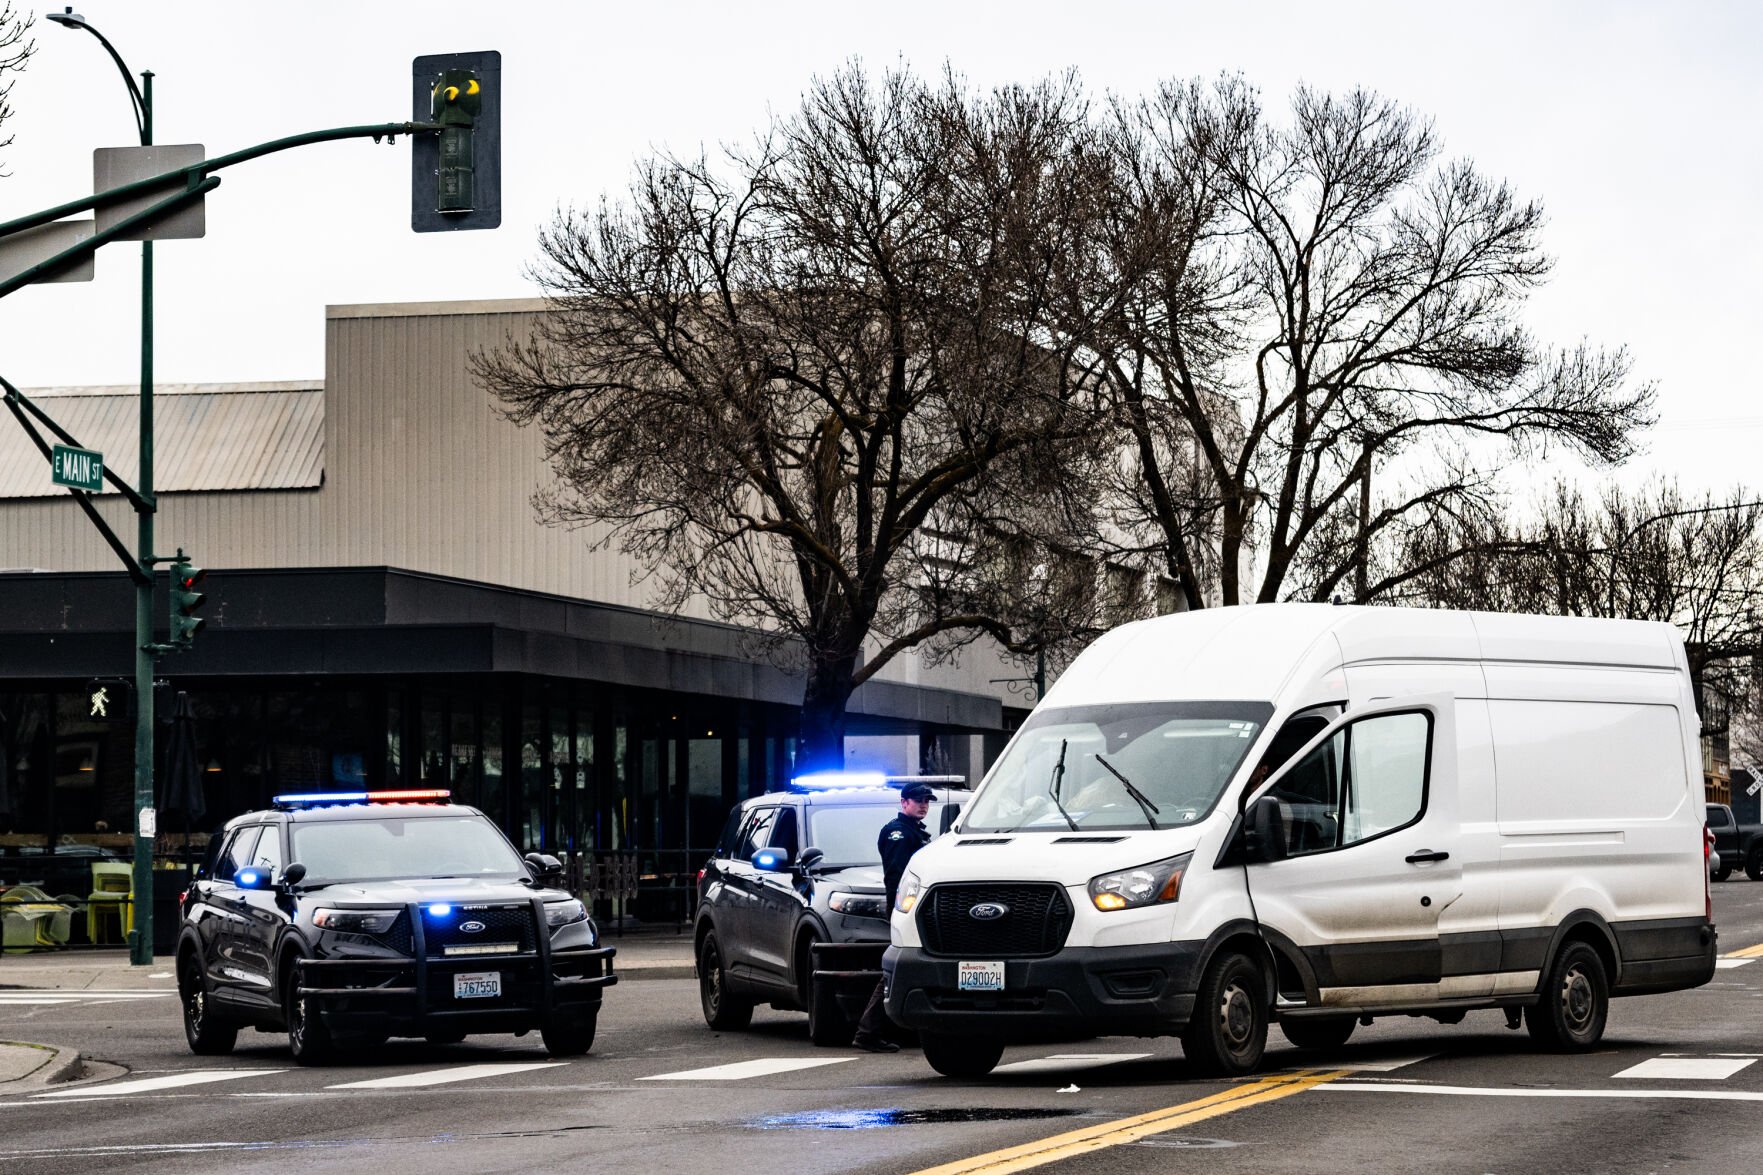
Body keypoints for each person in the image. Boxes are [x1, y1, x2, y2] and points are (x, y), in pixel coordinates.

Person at [850, 781, 935, 1053]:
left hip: (913, 909)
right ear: (904, 802)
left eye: (927, 801)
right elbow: (899, 877)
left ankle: (874, 1030)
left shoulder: (914, 832)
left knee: (903, 966)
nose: (924, 805)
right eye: (918, 800)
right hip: (908, 909)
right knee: (896, 967)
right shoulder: (898, 833)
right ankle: (868, 1031)